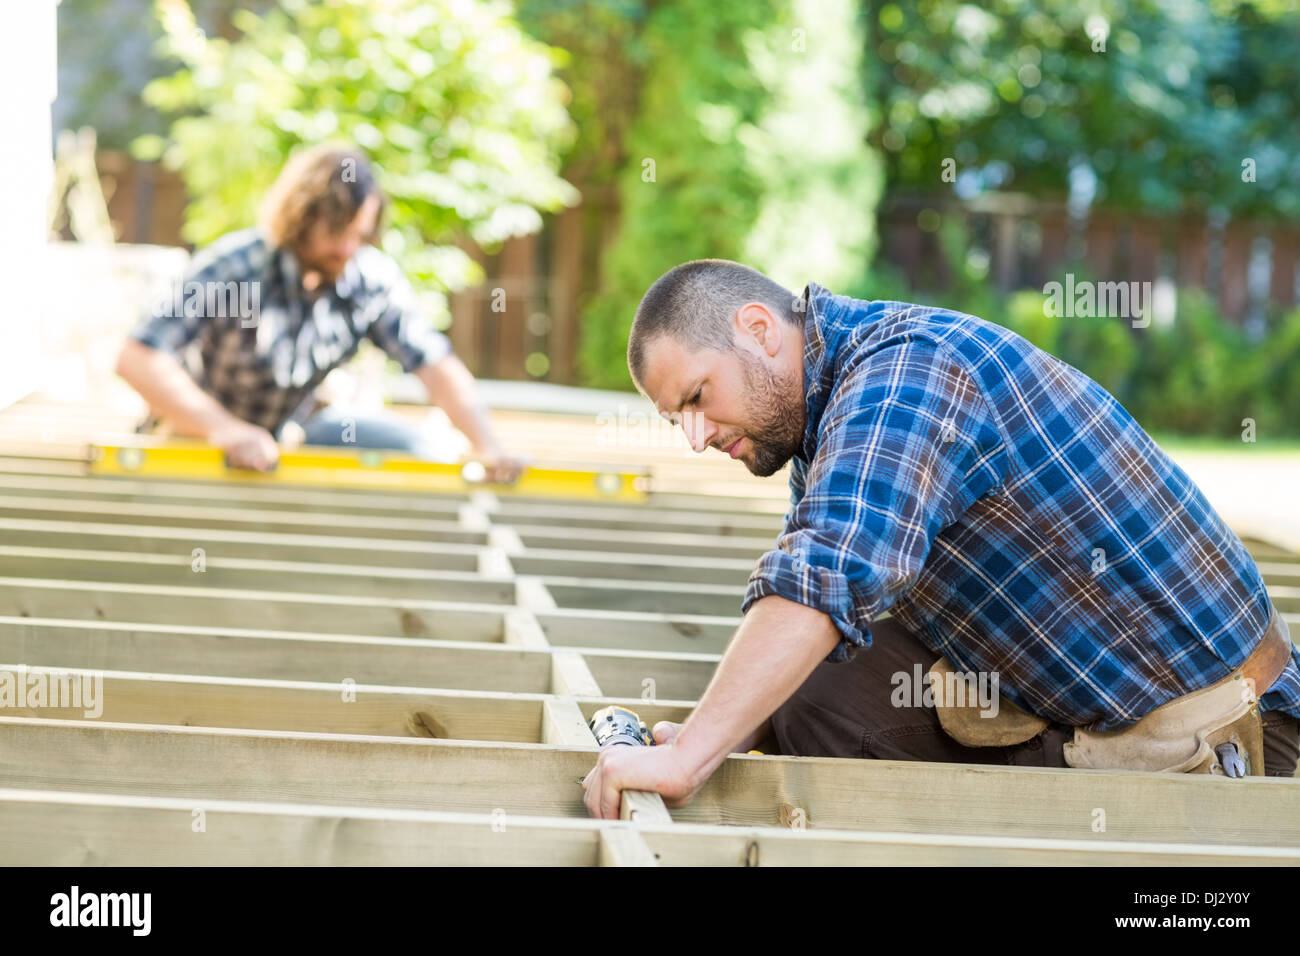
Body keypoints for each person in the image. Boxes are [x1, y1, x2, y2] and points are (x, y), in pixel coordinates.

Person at [582, 258, 1300, 818]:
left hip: (1226, 742)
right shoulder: (828, 421)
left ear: (760, 330)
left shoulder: (908, 374)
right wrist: (714, 738)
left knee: (811, 682)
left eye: (698, 398)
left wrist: (688, 763)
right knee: (815, 692)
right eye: (677, 418)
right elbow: (821, 612)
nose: (695, 438)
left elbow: (826, 570)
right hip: (1087, 710)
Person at [116, 143, 526, 482]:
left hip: (286, 439)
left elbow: (435, 364)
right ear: (300, 217)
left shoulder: (368, 280)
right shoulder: (237, 267)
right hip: (195, 435)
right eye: (336, 233)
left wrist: (486, 445)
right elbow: (138, 358)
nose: (348, 248)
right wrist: (225, 430)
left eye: (359, 236)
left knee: (418, 451)